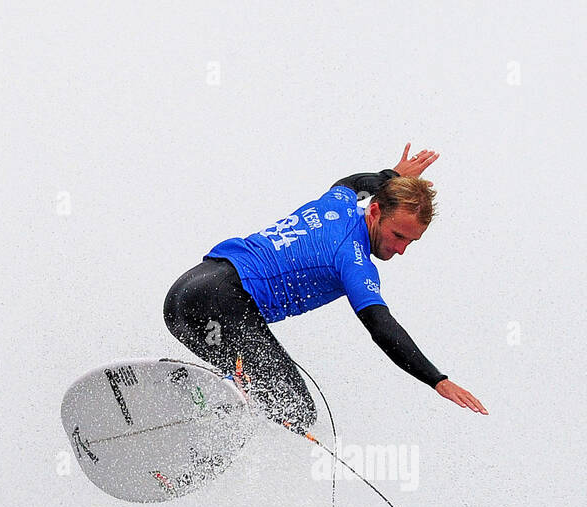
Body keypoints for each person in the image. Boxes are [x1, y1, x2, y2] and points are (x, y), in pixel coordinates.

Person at [163, 144, 488, 432]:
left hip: (186, 295)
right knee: (296, 410)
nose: (400, 249)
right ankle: (190, 399)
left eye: (411, 242)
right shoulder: (353, 259)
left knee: (255, 391)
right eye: (398, 236)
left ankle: (182, 402)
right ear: (375, 211)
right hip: (222, 303)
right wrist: (437, 379)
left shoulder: (341, 203)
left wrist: (391, 175)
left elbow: (353, 183)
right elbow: (381, 326)